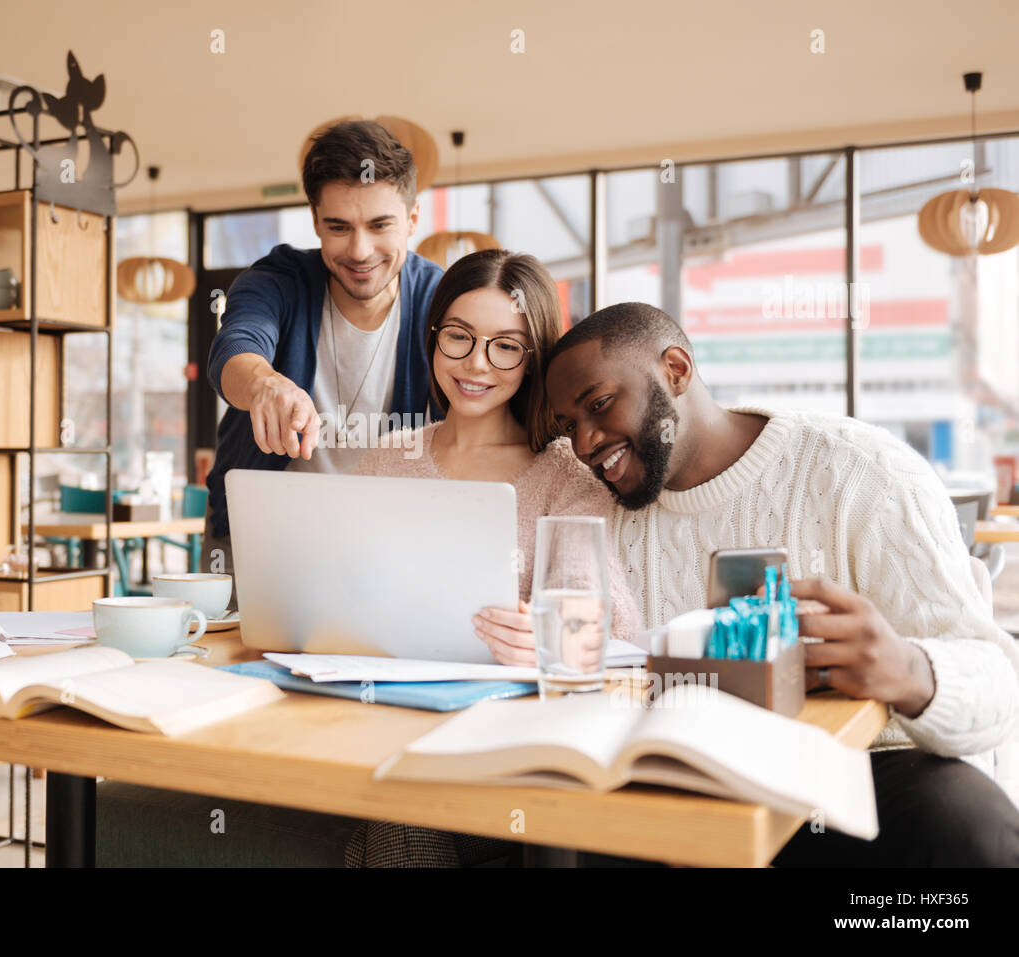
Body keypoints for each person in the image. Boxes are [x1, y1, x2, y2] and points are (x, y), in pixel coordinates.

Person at [541, 300, 1019, 866]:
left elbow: (998, 687)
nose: (585, 443)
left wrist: (910, 668)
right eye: (568, 426)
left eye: (599, 405)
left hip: (862, 769)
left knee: (970, 829)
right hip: (681, 783)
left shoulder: (862, 470)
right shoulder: (594, 513)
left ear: (675, 371)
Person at [341, 249, 643, 868]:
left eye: (506, 346)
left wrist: (556, 637)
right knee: (398, 801)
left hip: (509, 754)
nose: (476, 364)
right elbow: (347, 594)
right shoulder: (386, 458)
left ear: (533, 360)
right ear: (434, 339)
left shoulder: (566, 473)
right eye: (459, 338)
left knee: (404, 813)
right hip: (384, 724)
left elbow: (613, 625)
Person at [203, 120, 444, 573]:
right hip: (259, 535)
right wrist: (264, 385)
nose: (360, 250)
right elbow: (236, 344)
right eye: (338, 227)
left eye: (380, 225)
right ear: (314, 220)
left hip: (396, 540)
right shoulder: (278, 279)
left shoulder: (443, 300)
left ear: (412, 220)